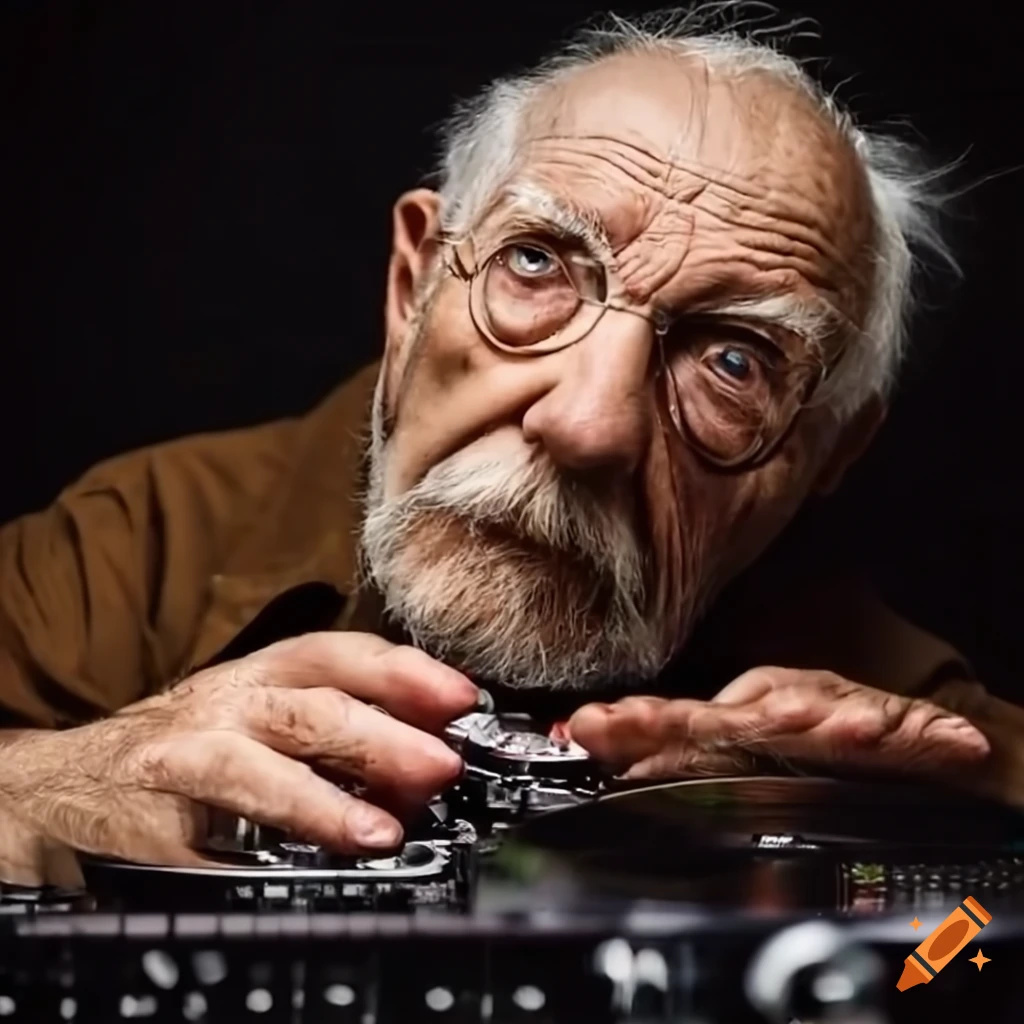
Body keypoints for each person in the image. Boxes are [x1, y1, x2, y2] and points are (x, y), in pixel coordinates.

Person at [1, 6, 1021, 882]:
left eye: (736, 362)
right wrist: (37, 780)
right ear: (413, 290)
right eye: (536, 264)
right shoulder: (135, 553)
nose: (587, 426)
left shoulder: (866, 705)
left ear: (828, 454)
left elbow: (961, 929)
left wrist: (949, 850)